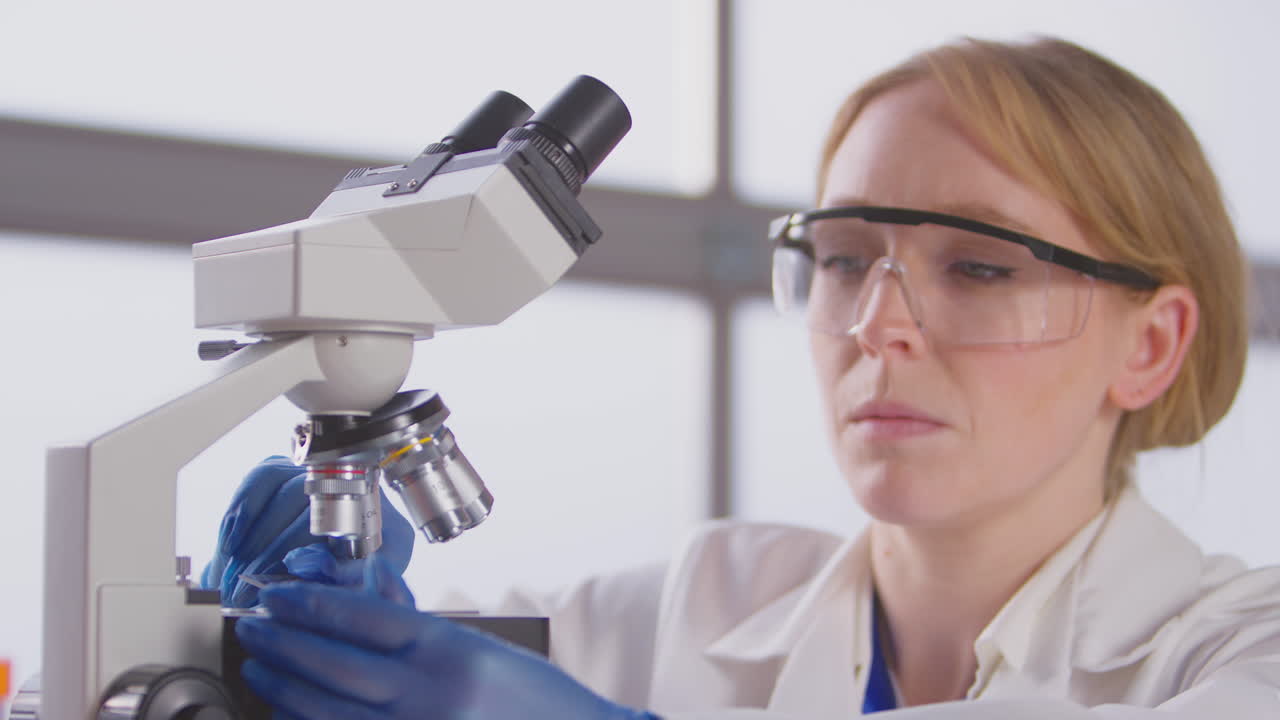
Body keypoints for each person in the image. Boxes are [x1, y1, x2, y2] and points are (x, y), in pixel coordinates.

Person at [208, 36, 1280, 718]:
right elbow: (420, 664)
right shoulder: (704, 604)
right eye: (846, 258)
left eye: (978, 267)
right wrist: (282, 618)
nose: (874, 324)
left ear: (1149, 345)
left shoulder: (1239, 650)